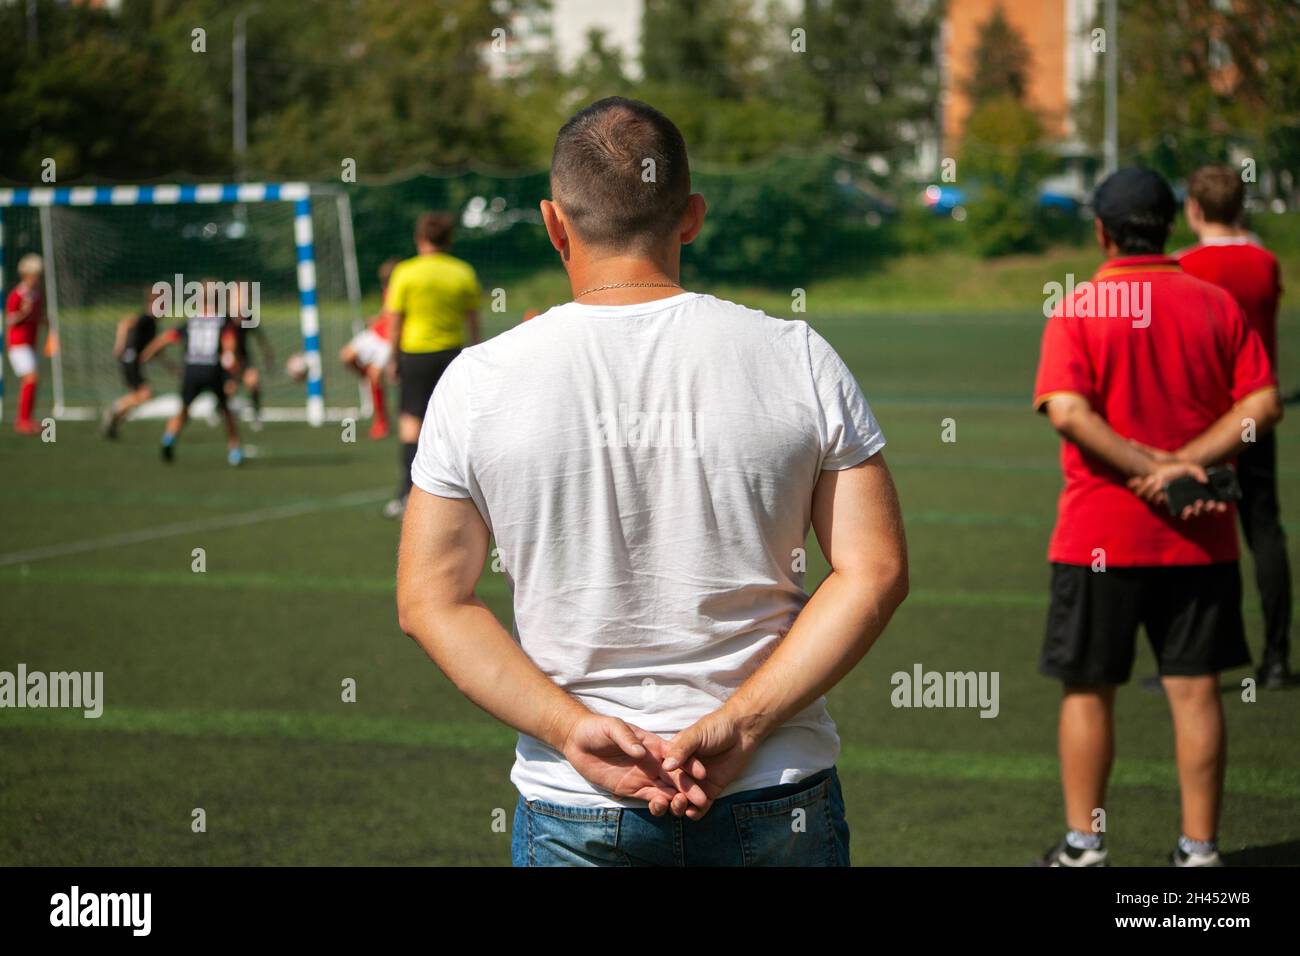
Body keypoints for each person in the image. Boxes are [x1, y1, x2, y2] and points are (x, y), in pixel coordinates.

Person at [396, 97, 908, 867]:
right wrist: (742, 725)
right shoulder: (797, 355)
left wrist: (571, 730)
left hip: (577, 804)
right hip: (774, 791)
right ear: (692, 216)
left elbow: (429, 600)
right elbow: (875, 572)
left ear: (554, 223)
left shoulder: (478, 382)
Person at [1032, 167, 1283, 868]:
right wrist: (1185, 463)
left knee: (1088, 692)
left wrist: (1150, 469)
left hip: (1097, 539)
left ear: (1101, 232)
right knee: (1197, 691)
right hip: (1199, 541)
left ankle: (1085, 846)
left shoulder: (1079, 308)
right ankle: (1199, 851)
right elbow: (1262, 406)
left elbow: (1070, 413)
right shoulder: (1216, 302)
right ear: (1173, 223)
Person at [1177, 165, 1291, 689]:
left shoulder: (1182, 268)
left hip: (1198, 425)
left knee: (1193, 536)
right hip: (1255, 415)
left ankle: (1192, 663)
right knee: (1264, 532)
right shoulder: (1265, 263)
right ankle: (1275, 658)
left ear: (1194, 210)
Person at [382, 214, 481, 517]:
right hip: (452, 356)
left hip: (416, 355)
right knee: (456, 424)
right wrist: (474, 353)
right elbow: (473, 321)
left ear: (419, 238)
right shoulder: (463, 272)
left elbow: (395, 321)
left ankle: (406, 493)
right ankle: (466, 493)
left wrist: (392, 357)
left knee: (412, 421)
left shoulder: (405, 273)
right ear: (449, 240)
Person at [139, 280, 243, 466]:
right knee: (227, 413)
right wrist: (233, 368)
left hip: (192, 371)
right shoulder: (224, 320)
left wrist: (148, 352)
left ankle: (169, 438)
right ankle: (234, 450)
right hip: (214, 371)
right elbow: (229, 347)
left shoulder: (192, 320)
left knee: (184, 410)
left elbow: (167, 337)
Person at [340, 258, 399, 440]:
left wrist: (394, 358)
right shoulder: (387, 290)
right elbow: (388, 312)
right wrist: (378, 318)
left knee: (375, 376)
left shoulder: (404, 289)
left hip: (389, 339)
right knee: (346, 356)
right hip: (376, 333)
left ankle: (381, 421)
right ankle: (371, 381)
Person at [102, 288, 163, 439]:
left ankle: (113, 423)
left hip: (132, 361)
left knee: (136, 397)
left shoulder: (152, 322)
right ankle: (114, 409)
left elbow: (155, 351)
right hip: (130, 360)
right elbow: (124, 323)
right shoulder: (146, 318)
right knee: (145, 394)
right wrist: (120, 345)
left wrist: (172, 367)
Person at [221, 281, 273, 431]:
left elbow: (261, 339)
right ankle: (219, 408)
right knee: (228, 388)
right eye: (238, 296)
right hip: (226, 359)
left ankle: (256, 414)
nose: (241, 300)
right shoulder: (223, 318)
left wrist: (268, 356)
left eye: (244, 296)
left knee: (253, 381)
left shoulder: (248, 317)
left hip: (243, 358)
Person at [5, 253, 46, 435]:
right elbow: (10, 320)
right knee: (31, 378)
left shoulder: (36, 295)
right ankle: (22, 421)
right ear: (26, 275)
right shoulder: (17, 294)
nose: (38, 278)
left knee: (31, 381)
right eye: (35, 275)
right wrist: (23, 312)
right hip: (18, 343)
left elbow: (39, 317)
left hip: (31, 343)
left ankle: (27, 419)